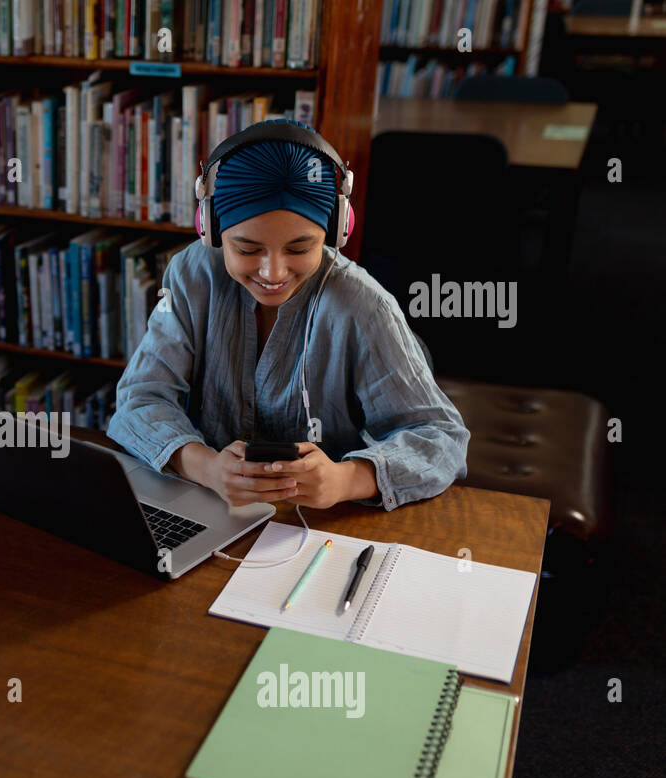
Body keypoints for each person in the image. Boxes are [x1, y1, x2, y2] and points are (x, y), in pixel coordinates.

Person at [106, 119, 468, 511]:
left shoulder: (364, 305)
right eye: (246, 249)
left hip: (322, 524)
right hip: (212, 507)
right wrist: (206, 467)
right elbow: (140, 399)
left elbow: (442, 438)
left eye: (299, 249)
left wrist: (347, 479)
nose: (273, 273)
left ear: (336, 230)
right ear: (210, 229)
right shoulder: (191, 275)